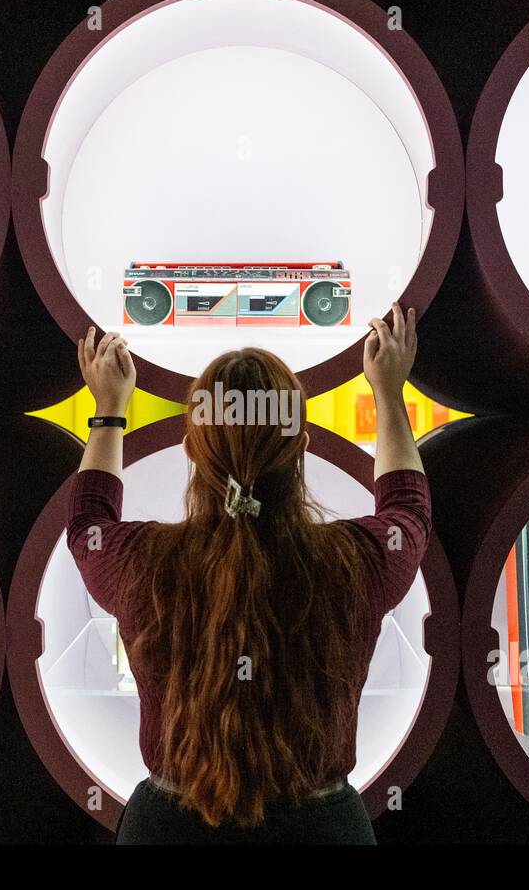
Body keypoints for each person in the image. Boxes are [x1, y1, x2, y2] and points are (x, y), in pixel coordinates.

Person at [68, 303, 429, 844]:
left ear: (191, 449)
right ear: (302, 449)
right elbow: (408, 509)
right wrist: (388, 391)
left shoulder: (143, 562)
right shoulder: (354, 560)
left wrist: (109, 408)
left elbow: (87, 522)